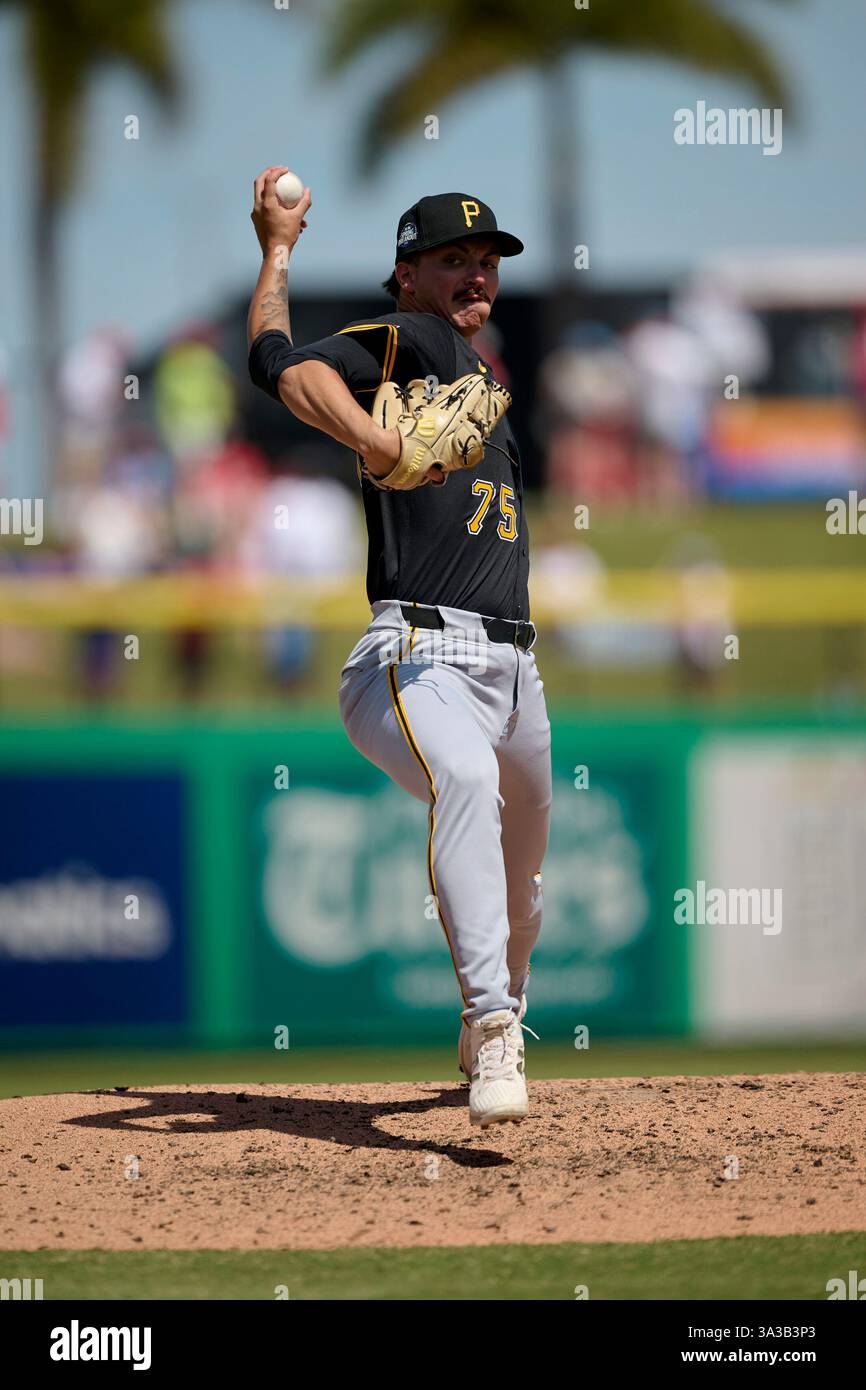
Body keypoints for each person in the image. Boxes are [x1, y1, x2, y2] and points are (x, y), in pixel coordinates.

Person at [247, 170, 552, 1129]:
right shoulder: (410, 341)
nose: (474, 276)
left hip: (515, 668)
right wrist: (377, 441)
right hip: (414, 655)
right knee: (462, 781)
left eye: (486, 261)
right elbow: (284, 368)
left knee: (526, 884)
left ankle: (502, 1003)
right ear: (407, 276)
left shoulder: (482, 381)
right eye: (451, 260)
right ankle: (492, 1025)